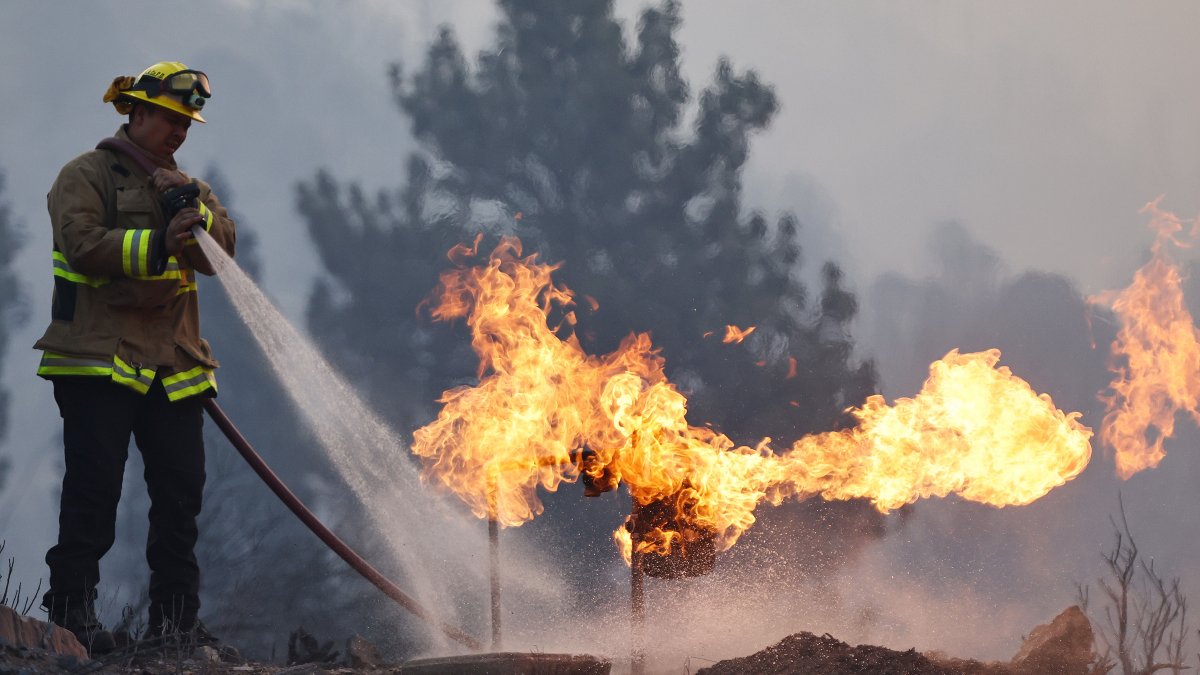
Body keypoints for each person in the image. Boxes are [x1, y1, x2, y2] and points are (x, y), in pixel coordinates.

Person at [33, 61, 236, 655]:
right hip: (98, 361)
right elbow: (81, 244)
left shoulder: (188, 188)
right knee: (94, 493)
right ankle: (72, 618)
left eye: (187, 123)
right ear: (137, 112)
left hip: (173, 368)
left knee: (180, 500)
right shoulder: (85, 175)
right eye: (171, 119)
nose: (180, 131)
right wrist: (157, 242)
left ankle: (175, 627)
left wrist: (198, 218)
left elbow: (223, 253)